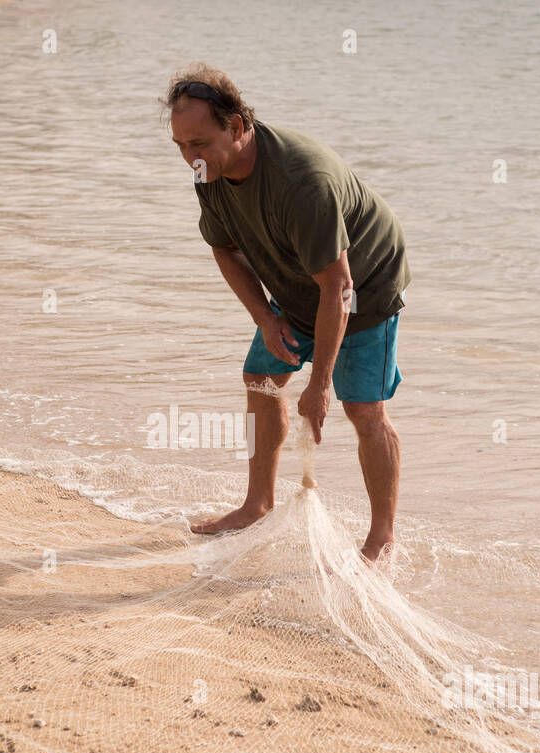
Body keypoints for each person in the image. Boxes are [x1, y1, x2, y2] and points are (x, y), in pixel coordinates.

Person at [163, 63, 411, 563]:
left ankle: (382, 534)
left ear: (236, 127)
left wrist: (319, 386)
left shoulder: (303, 183)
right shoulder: (207, 170)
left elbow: (338, 289)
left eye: (199, 144)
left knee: (362, 410)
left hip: (362, 288)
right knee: (260, 378)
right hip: (297, 280)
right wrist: (265, 318)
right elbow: (225, 249)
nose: (189, 158)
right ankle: (257, 503)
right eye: (180, 146)